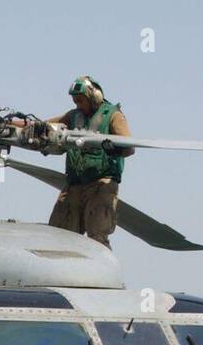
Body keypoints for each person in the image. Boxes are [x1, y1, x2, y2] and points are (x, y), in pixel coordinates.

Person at [16, 76, 134, 247]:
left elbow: (129, 148)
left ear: (94, 96)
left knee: (97, 238)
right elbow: (42, 126)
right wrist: (11, 124)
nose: (78, 105)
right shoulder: (73, 116)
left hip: (101, 184)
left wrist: (113, 148)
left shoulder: (113, 116)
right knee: (58, 235)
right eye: (75, 101)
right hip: (74, 184)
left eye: (80, 100)